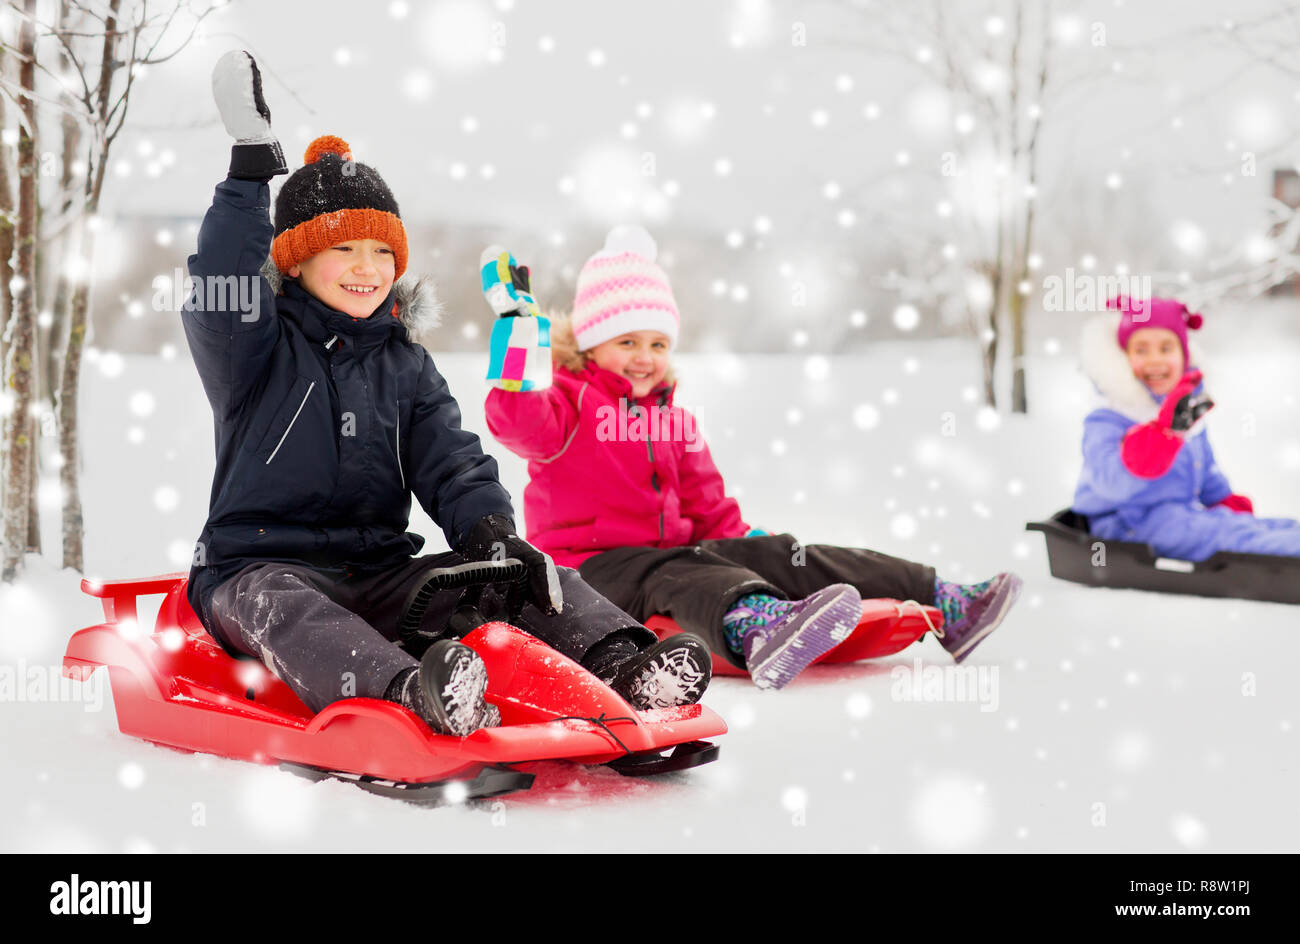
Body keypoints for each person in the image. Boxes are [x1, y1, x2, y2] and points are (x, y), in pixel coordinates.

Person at [182, 52, 711, 738]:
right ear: (299, 259)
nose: (367, 269)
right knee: (282, 602)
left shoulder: (405, 363)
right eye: (344, 251)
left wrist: (491, 532)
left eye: (382, 252)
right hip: (253, 571)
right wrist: (251, 168)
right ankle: (411, 692)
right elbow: (222, 286)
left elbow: (451, 461)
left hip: (378, 572)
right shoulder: (253, 352)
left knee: (518, 570)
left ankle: (626, 664)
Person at [480, 226, 1022, 690]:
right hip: (591, 571)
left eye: (658, 344)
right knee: (674, 570)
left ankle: (944, 599)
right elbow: (513, 416)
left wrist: (755, 550)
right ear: (591, 344)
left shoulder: (673, 419)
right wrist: (519, 332)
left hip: (678, 556)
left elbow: (710, 507)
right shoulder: (565, 404)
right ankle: (755, 626)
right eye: (627, 342)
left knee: (786, 553)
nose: (645, 358)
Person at [1073, 295, 1300, 561]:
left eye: (1166, 348)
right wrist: (1163, 434)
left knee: (1252, 526)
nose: (1154, 359)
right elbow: (1113, 483)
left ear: (1184, 355)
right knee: (1227, 536)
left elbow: (1204, 469)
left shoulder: (1183, 410)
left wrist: (1223, 501)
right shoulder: (1109, 418)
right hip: (1126, 525)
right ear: (1124, 358)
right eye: (1141, 350)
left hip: (1178, 516)